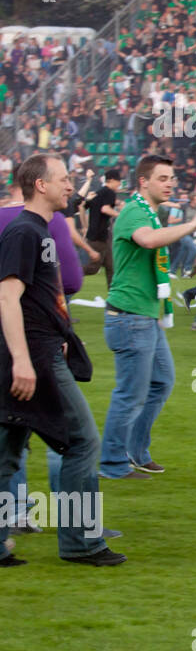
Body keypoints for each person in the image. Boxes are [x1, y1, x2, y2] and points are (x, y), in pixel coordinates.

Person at [0, 154, 121, 566]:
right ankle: (81, 544)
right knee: (82, 442)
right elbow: (7, 297)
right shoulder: (23, 232)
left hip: (42, 351)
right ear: (40, 185)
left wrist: (62, 332)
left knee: (9, 451)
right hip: (32, 359)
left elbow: (40, 297)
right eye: (64, 180)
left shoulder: (43, 230)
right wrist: (21, 360)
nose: (70, 187)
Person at [100, 155, 196, 479]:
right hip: (130, 316)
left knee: (161, 382)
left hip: (145, 315)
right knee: (130, 394)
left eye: (171, 178)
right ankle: (112, 463)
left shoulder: (147, 211)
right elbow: (147, 240)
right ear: (143, 182)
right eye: (162, 178)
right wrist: (193, 224)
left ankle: (134, 451)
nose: (169, 184)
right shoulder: (136, 211)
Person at [84, 167, 121, 285]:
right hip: (100, 236)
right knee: (92, 268)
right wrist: (120, 215)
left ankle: (113, 297)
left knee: (111, 266)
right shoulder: (110, 192)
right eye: (118, 181)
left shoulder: (98, 193)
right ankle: (68, 274)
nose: (119, 184)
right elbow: (105, 209)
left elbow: (84, 207)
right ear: (112, 180)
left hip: (98, 234)